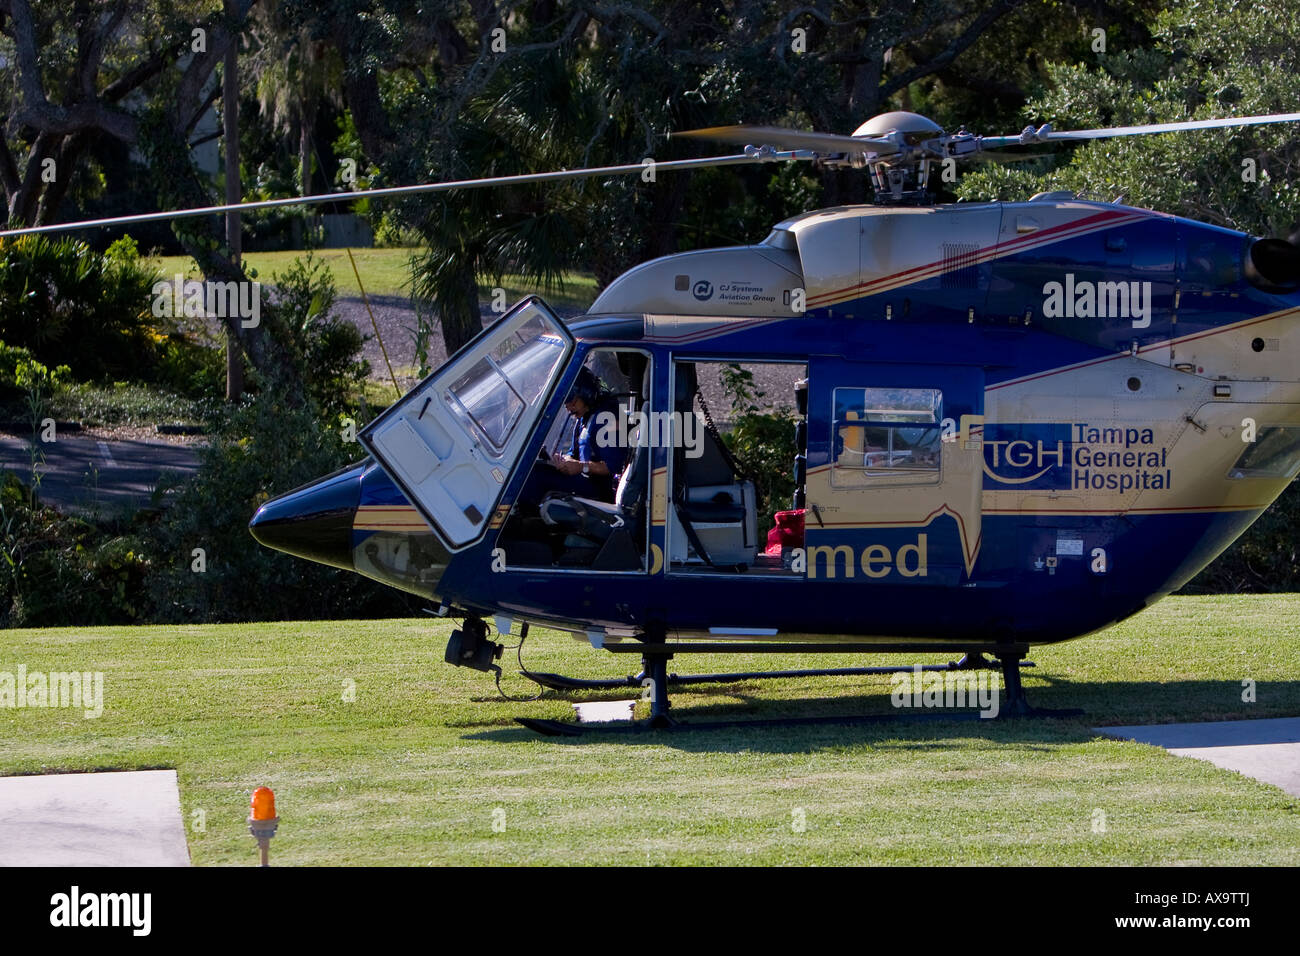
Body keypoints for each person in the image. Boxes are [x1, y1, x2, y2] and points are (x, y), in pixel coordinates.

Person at [522, 367, 627, 506]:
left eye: (572, 401)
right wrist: (563, 462)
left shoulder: (606, 418)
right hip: (585, 481)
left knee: (536, 477)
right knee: (537, 469)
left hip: (600, 490)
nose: (568, 407)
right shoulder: (584, 419)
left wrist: (581, 467)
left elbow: (613, 467)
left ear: (585, 394)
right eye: (566, 403)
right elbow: (574, 454)